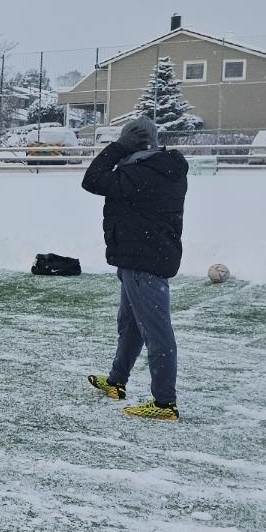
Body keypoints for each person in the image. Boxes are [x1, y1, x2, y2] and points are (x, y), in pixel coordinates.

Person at [80, 115, 188, 422]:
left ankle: (165, 403)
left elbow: (92, 180)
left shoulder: (145, 172)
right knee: (130, 325)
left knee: (156, 331)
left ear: (133, 143)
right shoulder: (155, 168)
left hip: (145, 261)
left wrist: (115, 149)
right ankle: (117, 381)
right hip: (136, 257)